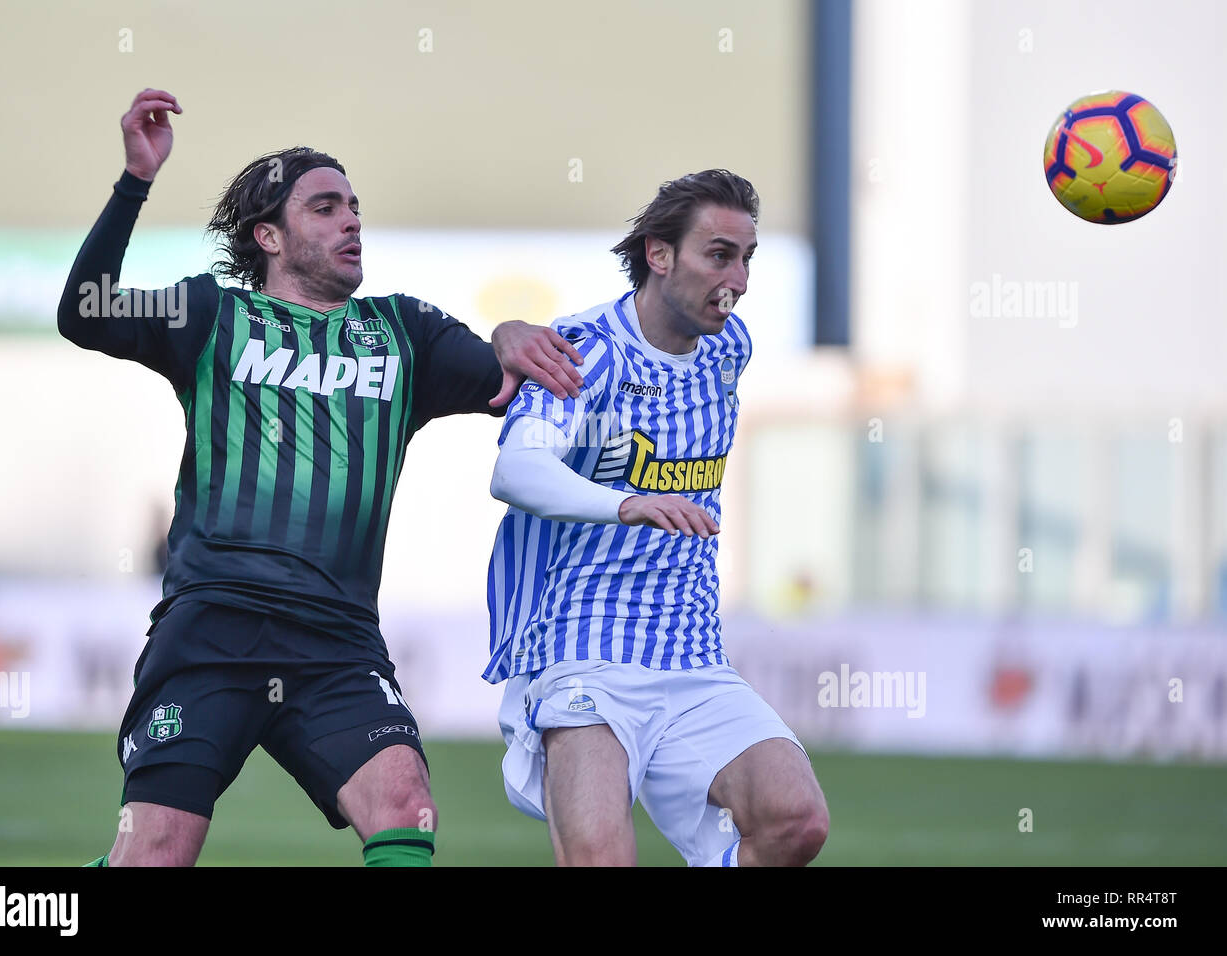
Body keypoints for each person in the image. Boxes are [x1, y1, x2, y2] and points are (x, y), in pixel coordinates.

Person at [60, 89, 584, 867]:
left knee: (407, 804)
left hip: (336, 641)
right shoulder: (212, 314)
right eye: (326, 207)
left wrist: (508, 332)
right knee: (157, 849)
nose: (352, 221)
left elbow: (515, 384)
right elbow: (84, 312)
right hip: (213, 628)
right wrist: (135, 181)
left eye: (355, 207)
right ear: (269, 236)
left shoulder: (406, 331)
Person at [484, 170, 830, 866]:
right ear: (659, 254)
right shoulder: (586, 351)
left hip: (692, 656)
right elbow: (515, 471)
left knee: (797, 822)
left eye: (747, 258)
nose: (736, 279)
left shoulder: (729, 347)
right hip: (582, 652)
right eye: (719, 254)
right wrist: (628, 503)